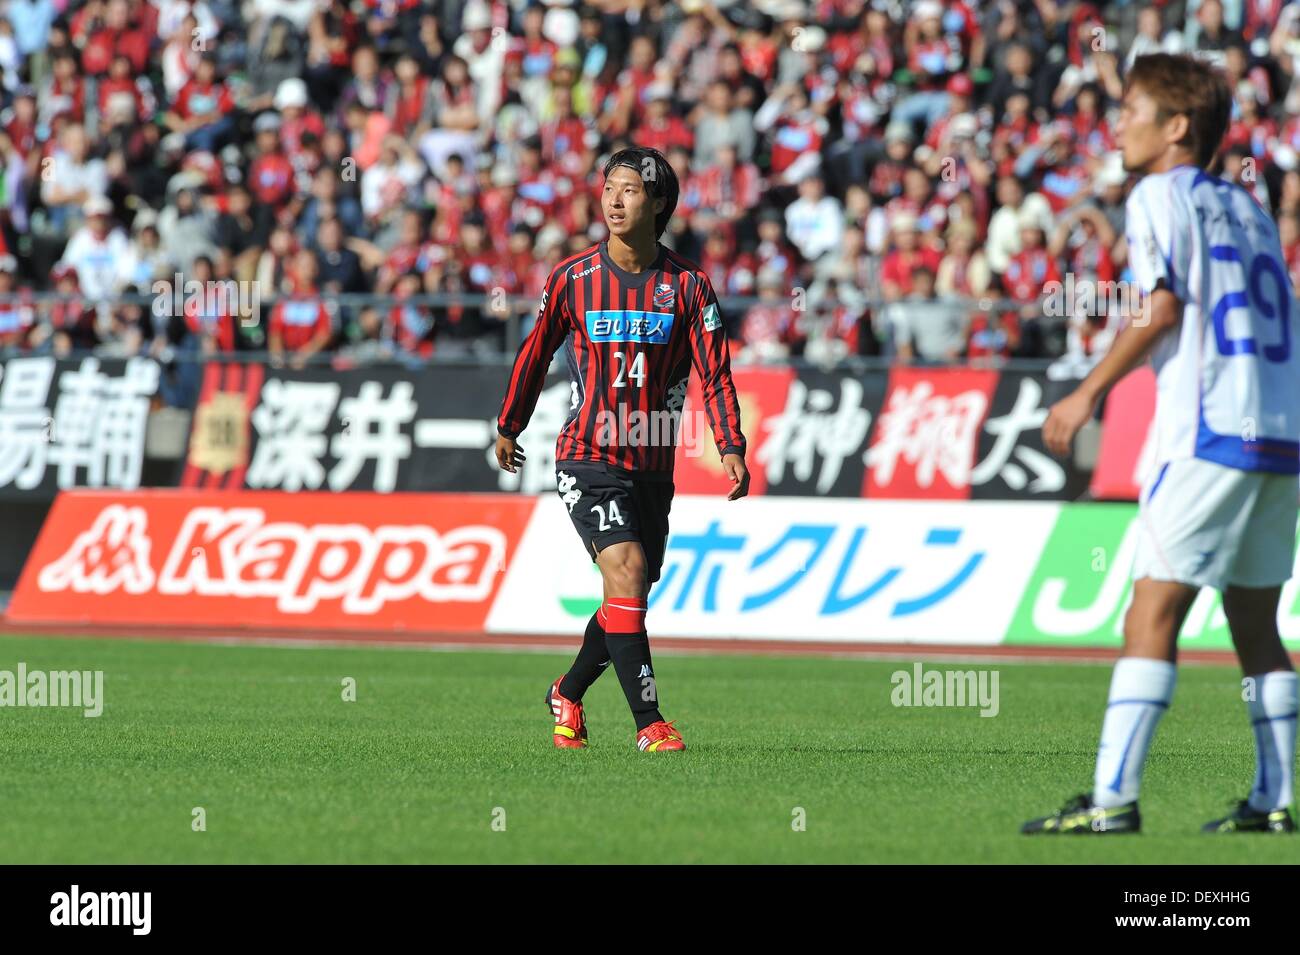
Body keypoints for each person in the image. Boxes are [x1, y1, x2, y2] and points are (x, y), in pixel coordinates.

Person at [1026, 53, 1300, 835]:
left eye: (1133, 108)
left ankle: (1113, 799)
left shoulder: (1156, 193)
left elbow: (1164, 305)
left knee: (1152, 610)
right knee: (1256, 624)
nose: (1119, 123)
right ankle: (1273, 799)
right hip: (1280, 431)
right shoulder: (1246, 206)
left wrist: (1086, 392)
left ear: (1176, 126)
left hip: (1211, 426)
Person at [494, 145, 749, 753]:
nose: (614, 198)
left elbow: (715, 374)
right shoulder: (574, 279)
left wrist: (730, 444)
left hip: (653, 460)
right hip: (588, 453)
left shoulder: (688, 286)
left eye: (631, 189)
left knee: (628, 593)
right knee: (627, 571)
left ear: (659, 204)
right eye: (610, 186)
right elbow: (535, 354)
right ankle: (649, 723)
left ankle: (568, 691)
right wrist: (510, 424)